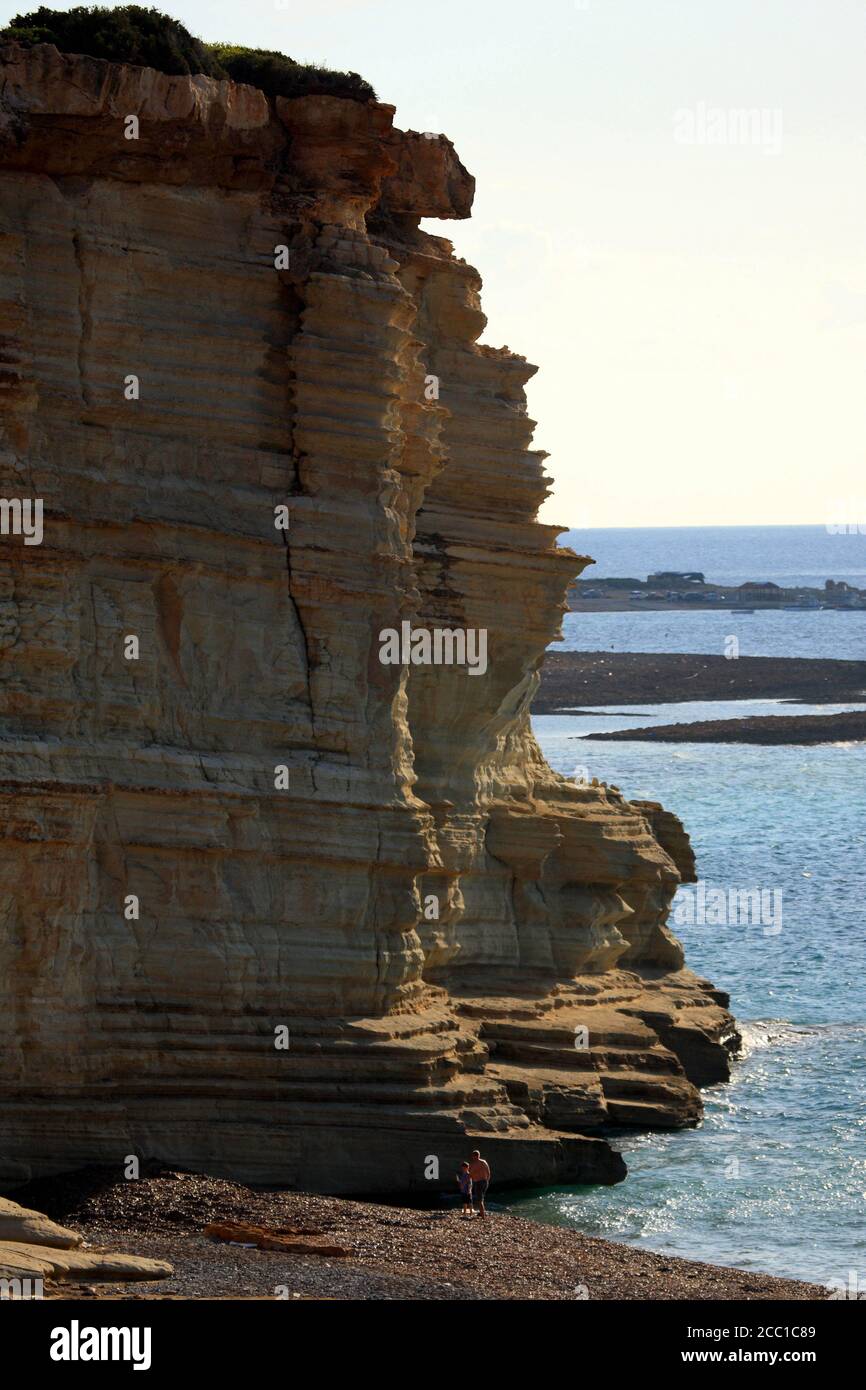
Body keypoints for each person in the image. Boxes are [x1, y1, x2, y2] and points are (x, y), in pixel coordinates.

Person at [467, 1149, 490, 1218]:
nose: (472, 1157)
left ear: (474, 1156)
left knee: (479, 1200)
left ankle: (483, 1216)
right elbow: (488, 1172)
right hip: (485, 1182)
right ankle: (481, 1212)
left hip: (478, 1182)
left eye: (473, 1156)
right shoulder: (484, 1162)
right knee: (481, 1198)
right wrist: (487, 1181)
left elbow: (470, 1175)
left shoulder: (473, 1164)